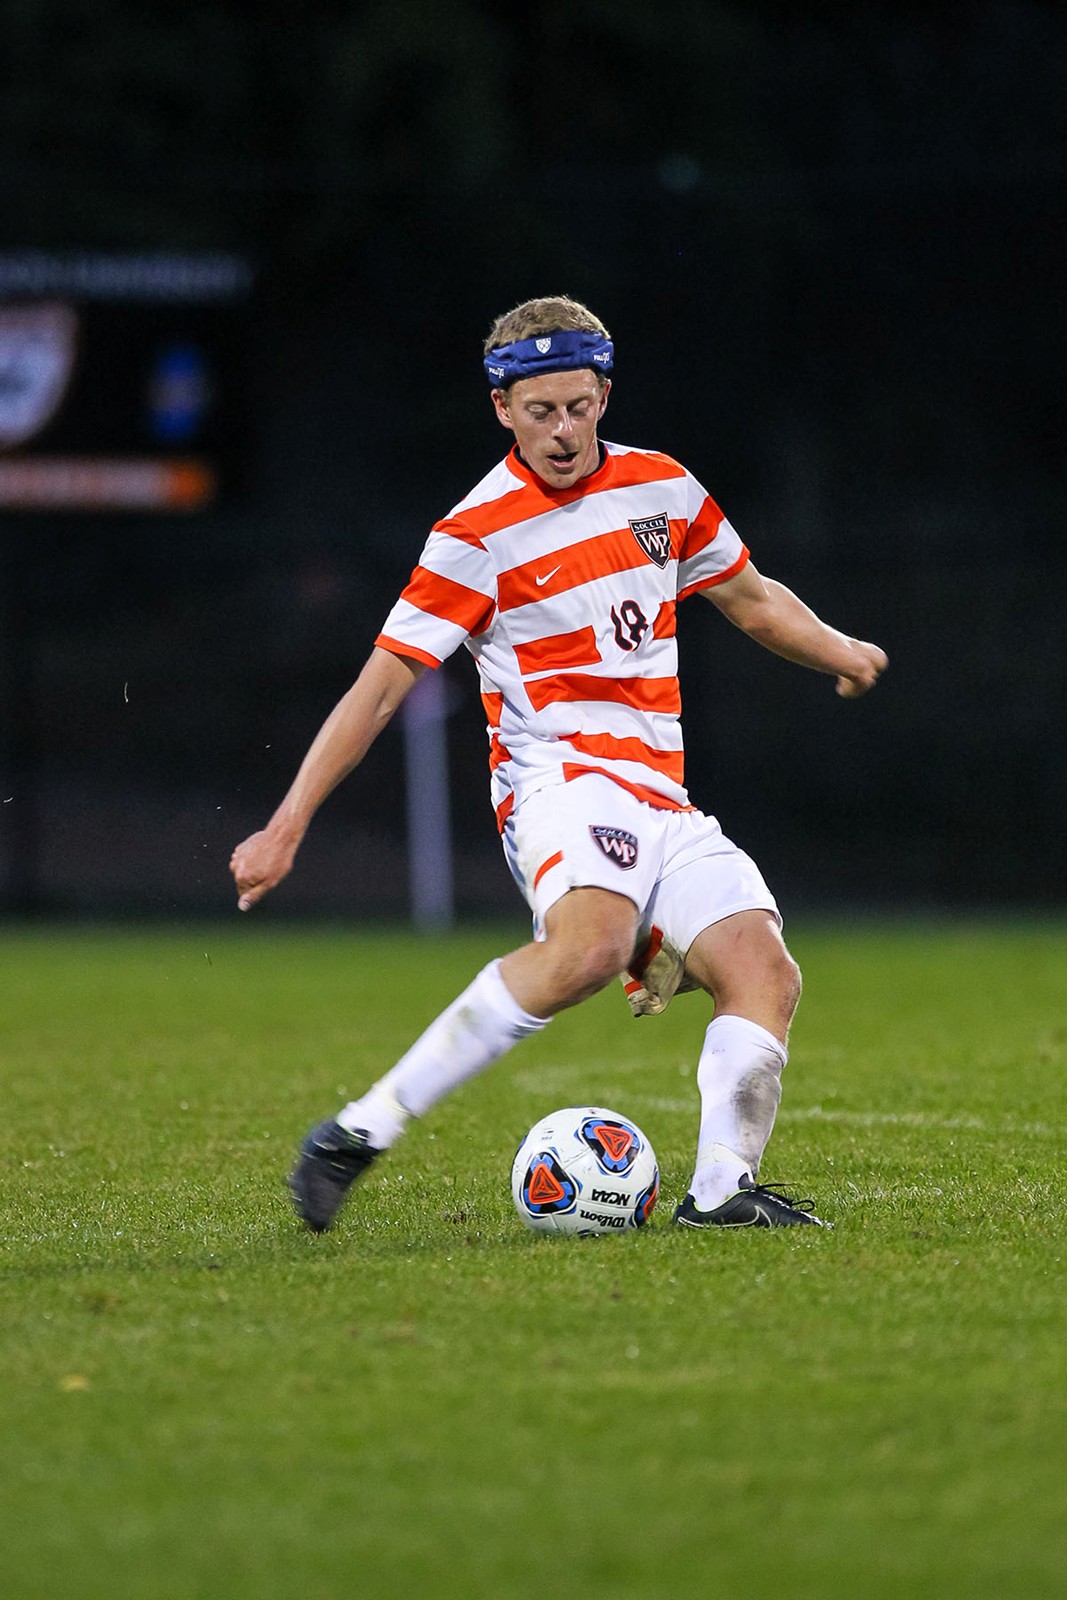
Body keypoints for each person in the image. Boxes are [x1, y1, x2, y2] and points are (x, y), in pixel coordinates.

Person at [230, 294, 887, 1234]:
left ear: (604, 394)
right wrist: (286, 823)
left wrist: (838, 649)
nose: (564, 430)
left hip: (662, 797)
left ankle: (717, 1194)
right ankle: (355, 1133)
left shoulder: (661, 487)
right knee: (586, 951)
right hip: (557, 786)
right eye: (540, 411)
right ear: (501, 408)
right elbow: (377, 689)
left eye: (579, 406)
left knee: (761, 969)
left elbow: (748, 596)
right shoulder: (472, 536)